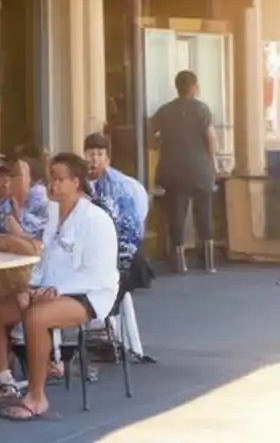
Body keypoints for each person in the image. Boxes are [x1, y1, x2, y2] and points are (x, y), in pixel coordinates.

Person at [0, 153, 119, 422]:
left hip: (89, 294)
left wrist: (57, 289)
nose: (52, 185)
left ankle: (36, 396)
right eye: (50, 179)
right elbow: (45, 258)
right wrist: (31, 286)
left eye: (59, 179)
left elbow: (98, 272)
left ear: (76, 183)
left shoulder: (95, 219)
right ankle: (3, 383)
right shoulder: (54, 213)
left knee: (35, 318)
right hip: (50, 289)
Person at [84, 132, 156, 364]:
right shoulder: (80, 183)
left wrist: (115, 262)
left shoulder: (119, 187)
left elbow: (131, 233)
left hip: (122, 258)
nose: (93, 159)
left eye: (99, 154)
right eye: (90, 154)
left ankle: (100, 331)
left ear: (107, 158)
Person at [151, 69, 219, 273]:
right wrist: (213, 163)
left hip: (174, 169)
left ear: (177, 87)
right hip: (200, 168)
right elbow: (211, 138)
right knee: (204, 213)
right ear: (194, 87)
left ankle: (180, 261)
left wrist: (162, 143)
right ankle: (209, 262)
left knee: (177, 213)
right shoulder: (202, 109)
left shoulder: (165, 111)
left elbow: (149, 133)